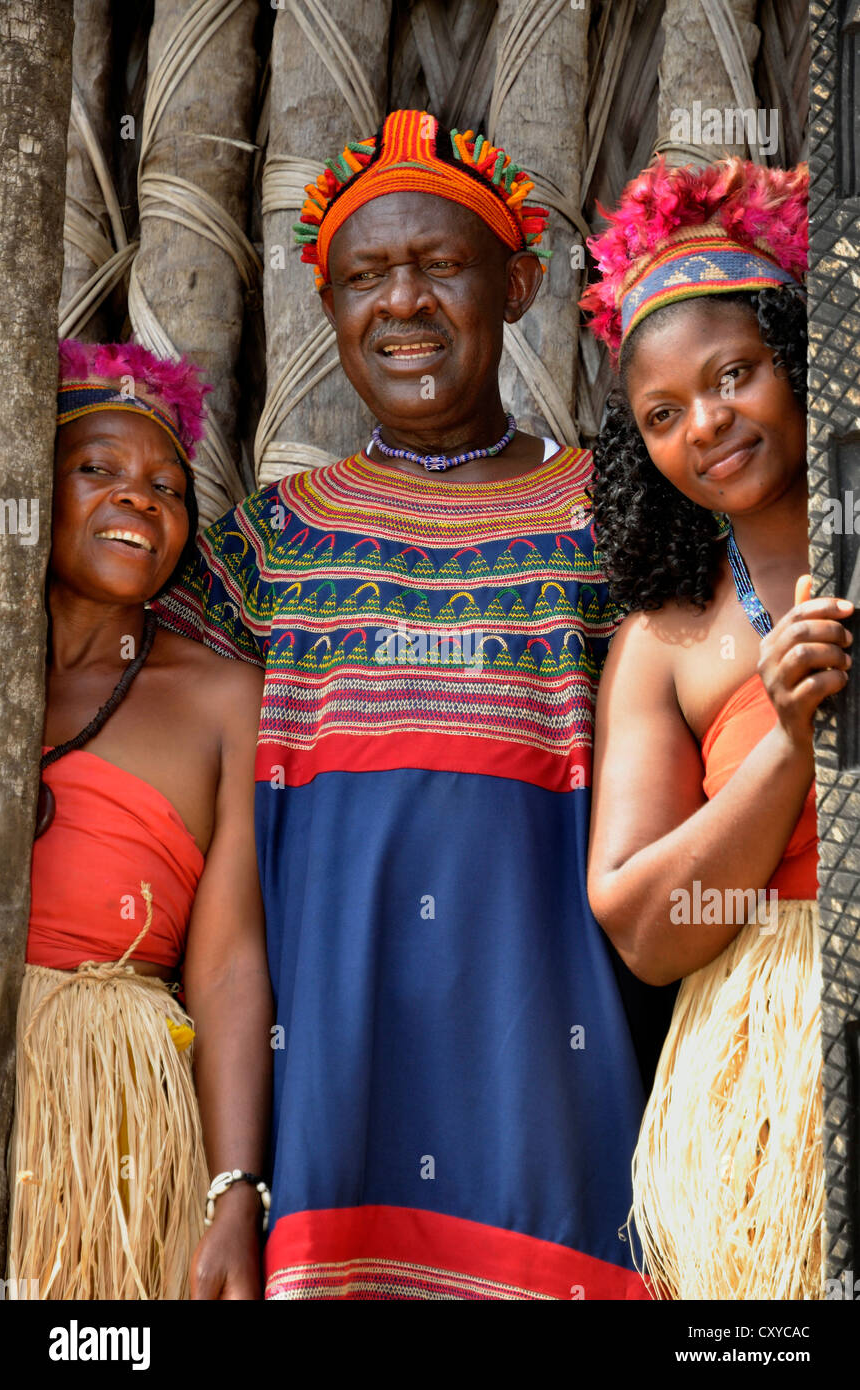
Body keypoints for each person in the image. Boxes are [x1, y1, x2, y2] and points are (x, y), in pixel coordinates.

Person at [152, 109, 667, 1301]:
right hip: (330, 1075)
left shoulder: (611, 518)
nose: (403, 303)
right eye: (366, 277)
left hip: (550, 1063)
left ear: (519, 284)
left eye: (440, 265)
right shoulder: (268, 547)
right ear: (328, 307)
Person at [581, 157, 849, 1299]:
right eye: (663, 414)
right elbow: (644, 926)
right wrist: (788, 740)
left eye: (735, 372)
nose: (707, 423)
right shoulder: (667, 642)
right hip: (764, 1074)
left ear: (802, 356)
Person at [8, 340, 273, 1300]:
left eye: (167, 486)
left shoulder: (221, 698)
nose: (140, 497)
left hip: (111, 1112)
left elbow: (229, 964)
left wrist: (234, 1190)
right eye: (99, 470)